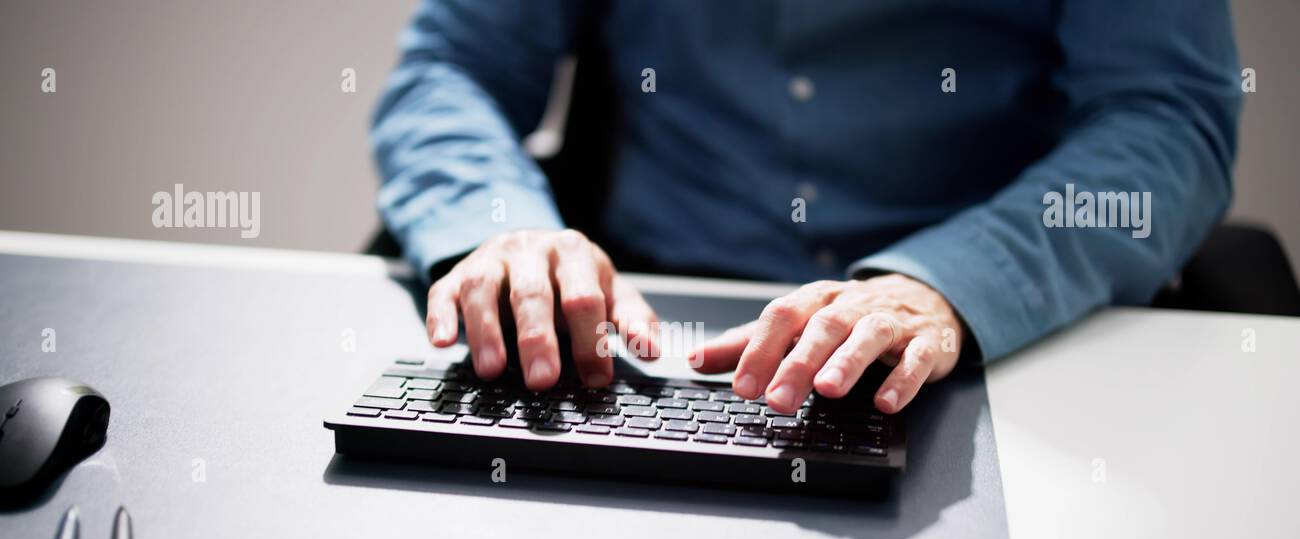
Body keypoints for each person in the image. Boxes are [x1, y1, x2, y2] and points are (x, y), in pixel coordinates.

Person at [371, 0, 1240, 415]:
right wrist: (502, 227)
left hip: (985, 339)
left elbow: (1165, 116)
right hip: (644, 330)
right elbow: (452, 68)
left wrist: (947, 285)